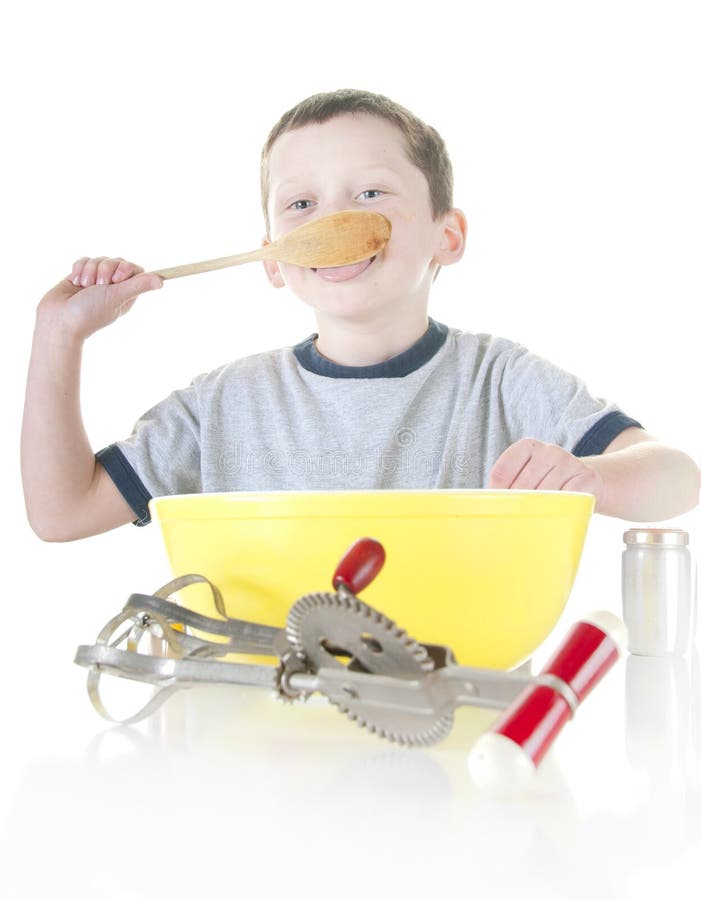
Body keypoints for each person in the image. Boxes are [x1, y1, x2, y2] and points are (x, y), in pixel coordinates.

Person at [21, 89, 700, 541]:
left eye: (370, 191)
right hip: (255, 718)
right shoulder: (223, 404)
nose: (336, 219)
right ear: (271, 259)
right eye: (300, 206)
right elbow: (61, 512)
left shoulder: (498, 380)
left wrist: (590, 477)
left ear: (447, 235)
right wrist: (59, 338)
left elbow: (676, 477)